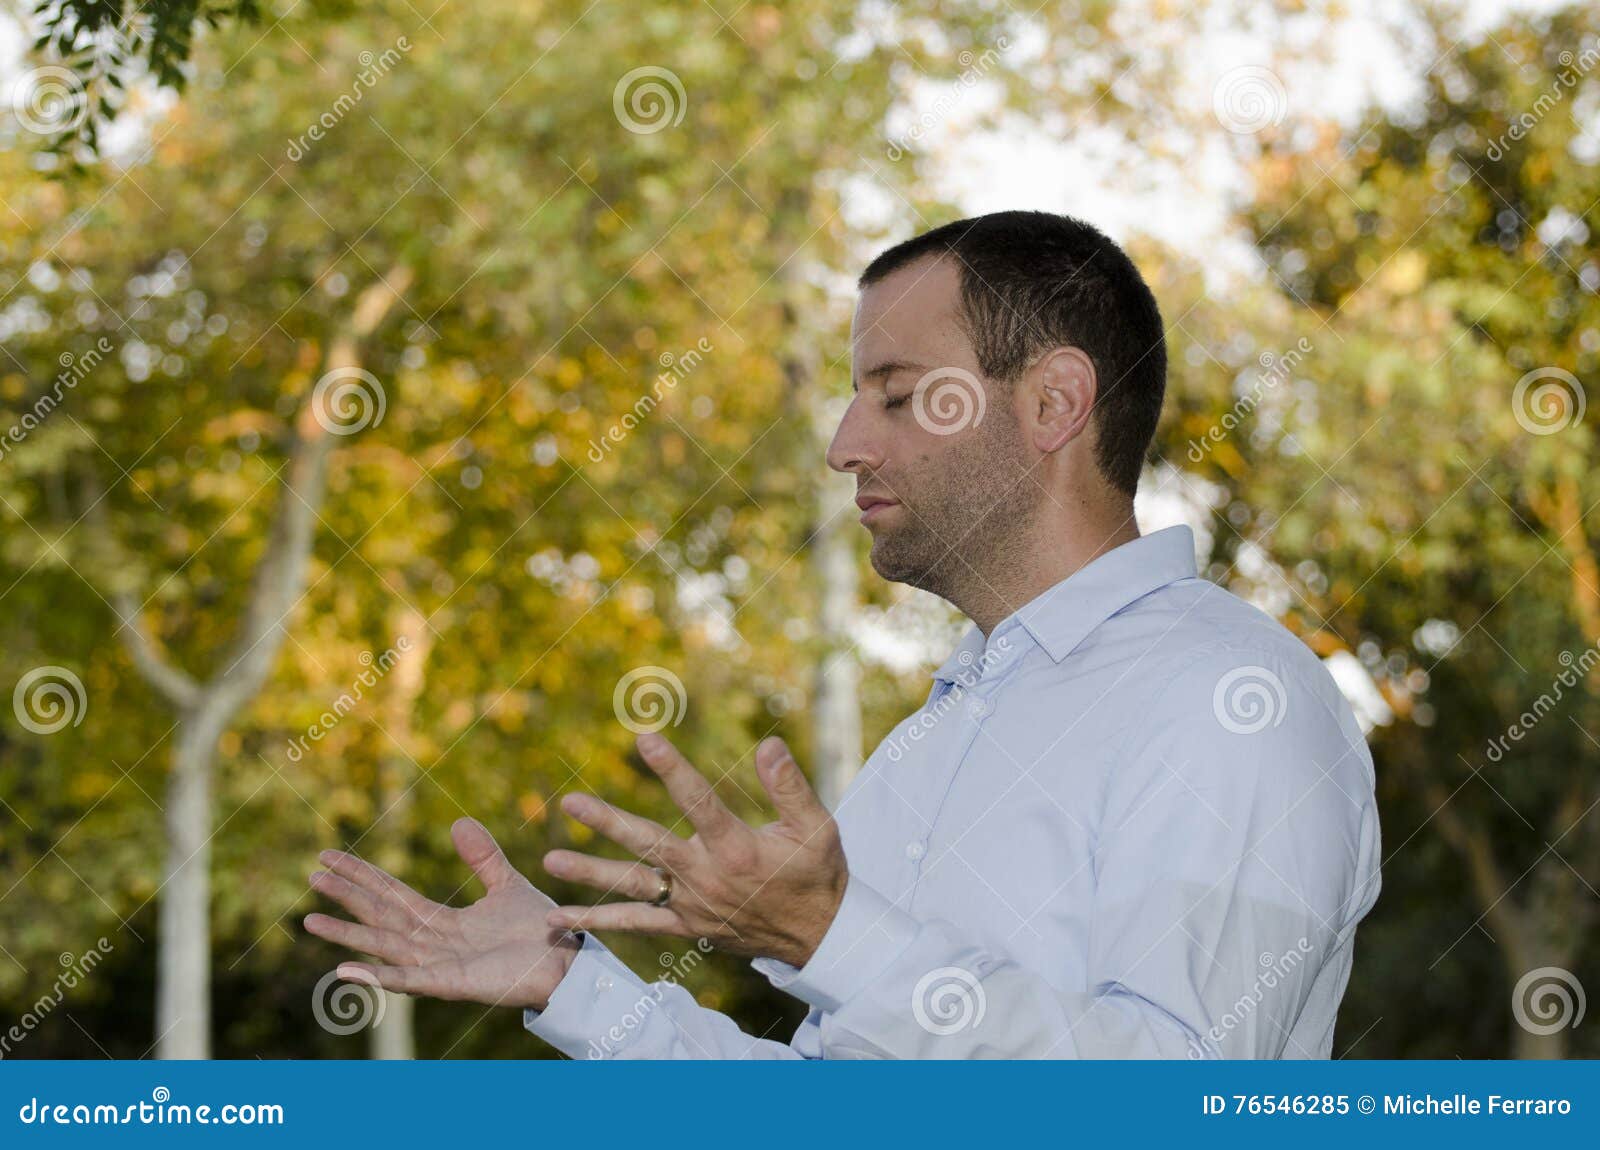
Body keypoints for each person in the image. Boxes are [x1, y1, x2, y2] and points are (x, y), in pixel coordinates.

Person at [303, 210, 1382, 1059]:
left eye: (898, 395)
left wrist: (833, 939)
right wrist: (574, 987)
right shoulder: (944, 731)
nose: (843, 444)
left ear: (1054, 404)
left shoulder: (1233, 698)